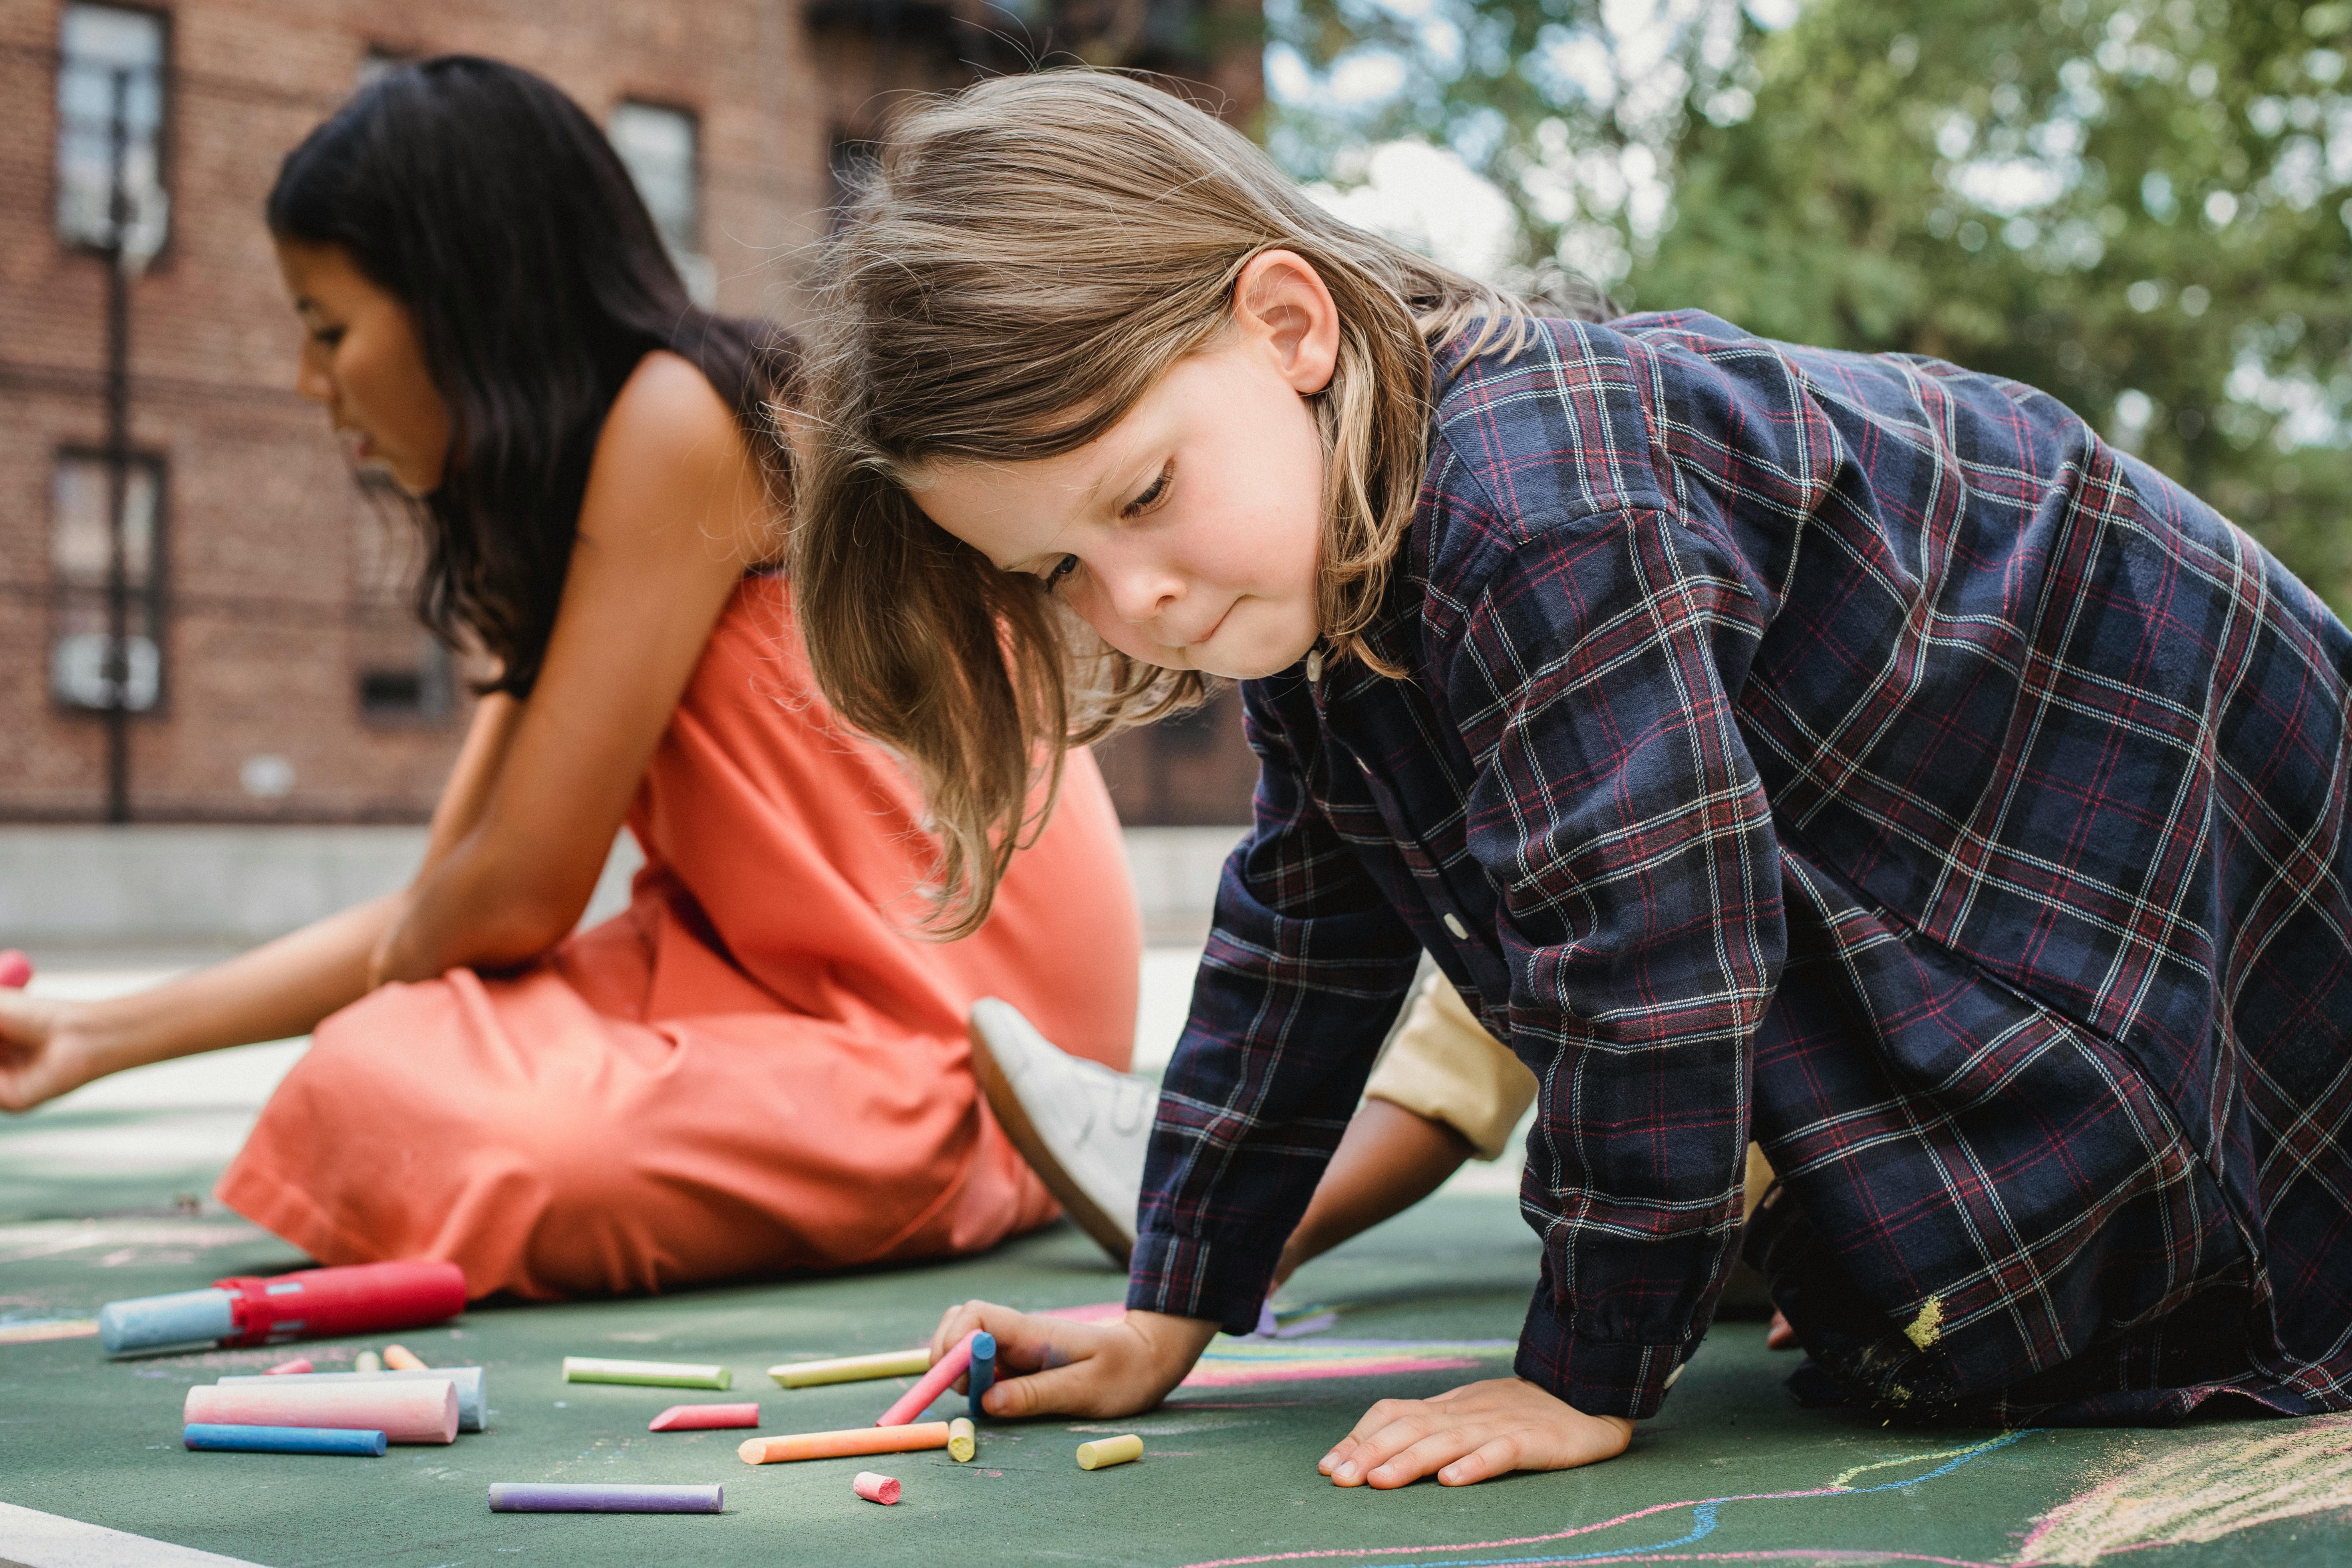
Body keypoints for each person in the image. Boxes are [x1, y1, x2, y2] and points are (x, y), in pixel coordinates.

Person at [787, 71, 2352, 1487]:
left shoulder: (1531, 504)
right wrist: (1170, 1303)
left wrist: (1580, 1370)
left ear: (1287, 328)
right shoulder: (1324, 576)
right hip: (2051, 781)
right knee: (1907, 1260)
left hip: (2149, 759)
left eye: (1141, 494)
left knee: (2077, 1290)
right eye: (1060, 564)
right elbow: (1298, 945)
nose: (1135, 600)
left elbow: (1652, 955)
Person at [0, 57, 1142, 1300]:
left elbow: (503, 904)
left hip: (976, 1055)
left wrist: (439, 965)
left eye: (330, 329)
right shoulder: (587, 498)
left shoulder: (689, 417)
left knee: (443, 1106)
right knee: (391, 1060)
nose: (308, 382)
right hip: (789, 992)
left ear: (463, 309)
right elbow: (461, 902)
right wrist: (86, 1036)